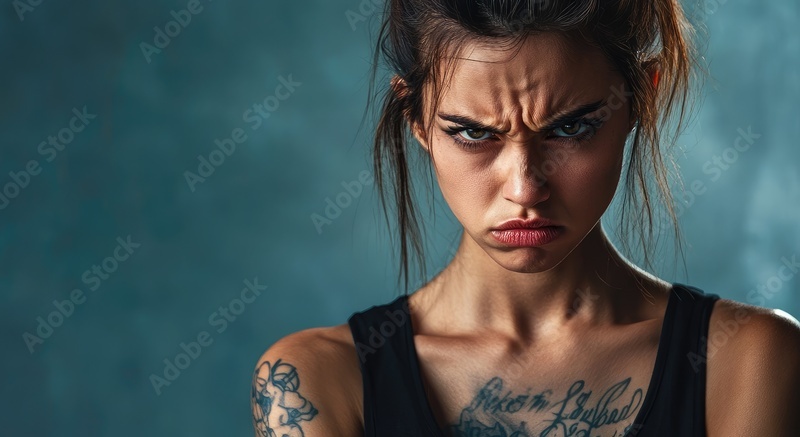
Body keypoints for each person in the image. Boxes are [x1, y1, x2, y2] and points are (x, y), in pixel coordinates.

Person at [251, 1, 800, 435]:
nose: (524, 188)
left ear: (639, 101)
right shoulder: (315, 380)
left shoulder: (746, 361)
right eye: (473, 133)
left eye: (569, 129)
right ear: (416, 118)